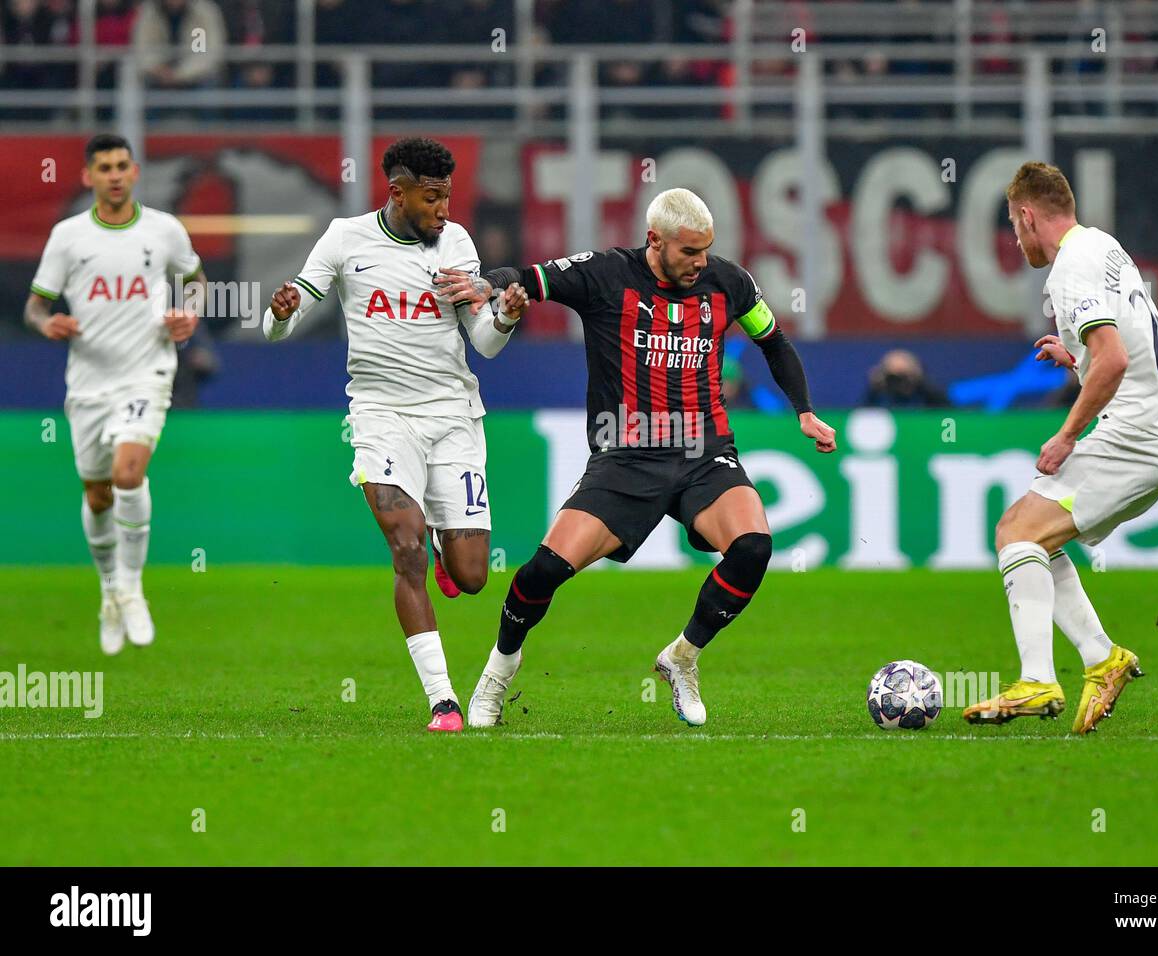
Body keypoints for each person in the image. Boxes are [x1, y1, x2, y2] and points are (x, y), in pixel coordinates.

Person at [436, 187, 837, 728]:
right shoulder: (604, 274)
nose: (701, 263)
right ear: (655, 240)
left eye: (706, 251)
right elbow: (525, 277)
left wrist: (804, 410)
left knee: (753, 548)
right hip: (625, 459)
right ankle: (499, 669)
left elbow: (774, 341)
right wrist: (488, 285)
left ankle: (683, 657)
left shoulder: (731, 282)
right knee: (543, 572)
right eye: (689, 252)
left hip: (704, 453)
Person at [261, 137, 527, 734]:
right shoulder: (344, 239)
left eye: (448, 197)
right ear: (397, 193)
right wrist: (279, 315)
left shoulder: (455, 243)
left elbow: (482, 343)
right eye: (432, 198)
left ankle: (445, 547)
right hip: (381, 415)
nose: (443, 210)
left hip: (454, 417)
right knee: (403, 549)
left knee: (471, 576)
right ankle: (443, 701)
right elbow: (281, 325)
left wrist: (504, 316)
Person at [964, 162, 1158, 734]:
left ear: (1027, 216)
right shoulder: (1103, 246)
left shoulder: (1070, 268)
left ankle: (1038, 681)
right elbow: (1128, 347)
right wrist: (1077, 360)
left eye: (1012, 225)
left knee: (1015, 532)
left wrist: (1066, 433)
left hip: (1141, 433)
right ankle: (1102, 659)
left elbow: (1117, 360)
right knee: (1036, 540)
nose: (1015, 239)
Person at [26, 133, 206, 654]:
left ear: (135, 171)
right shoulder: (68, 237)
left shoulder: (164, 230)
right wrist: (47, 323)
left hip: (145, 373)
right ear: (88, 177)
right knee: (98, 494)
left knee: (129, 475)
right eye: (103, 167)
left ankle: (131, 588)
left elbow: (194, 280)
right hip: (87, 384)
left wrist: (187, 315)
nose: (113, 174)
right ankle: (109, 589)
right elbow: (35, 305)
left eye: (121, 165)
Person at [862, 349, 948, 407]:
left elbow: (948, 416)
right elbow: (860, 418)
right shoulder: (880, 395)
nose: (898, 381)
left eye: (903, 376)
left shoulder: (925, 394)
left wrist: (919, 382)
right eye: (893, 376)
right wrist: (874, 388)